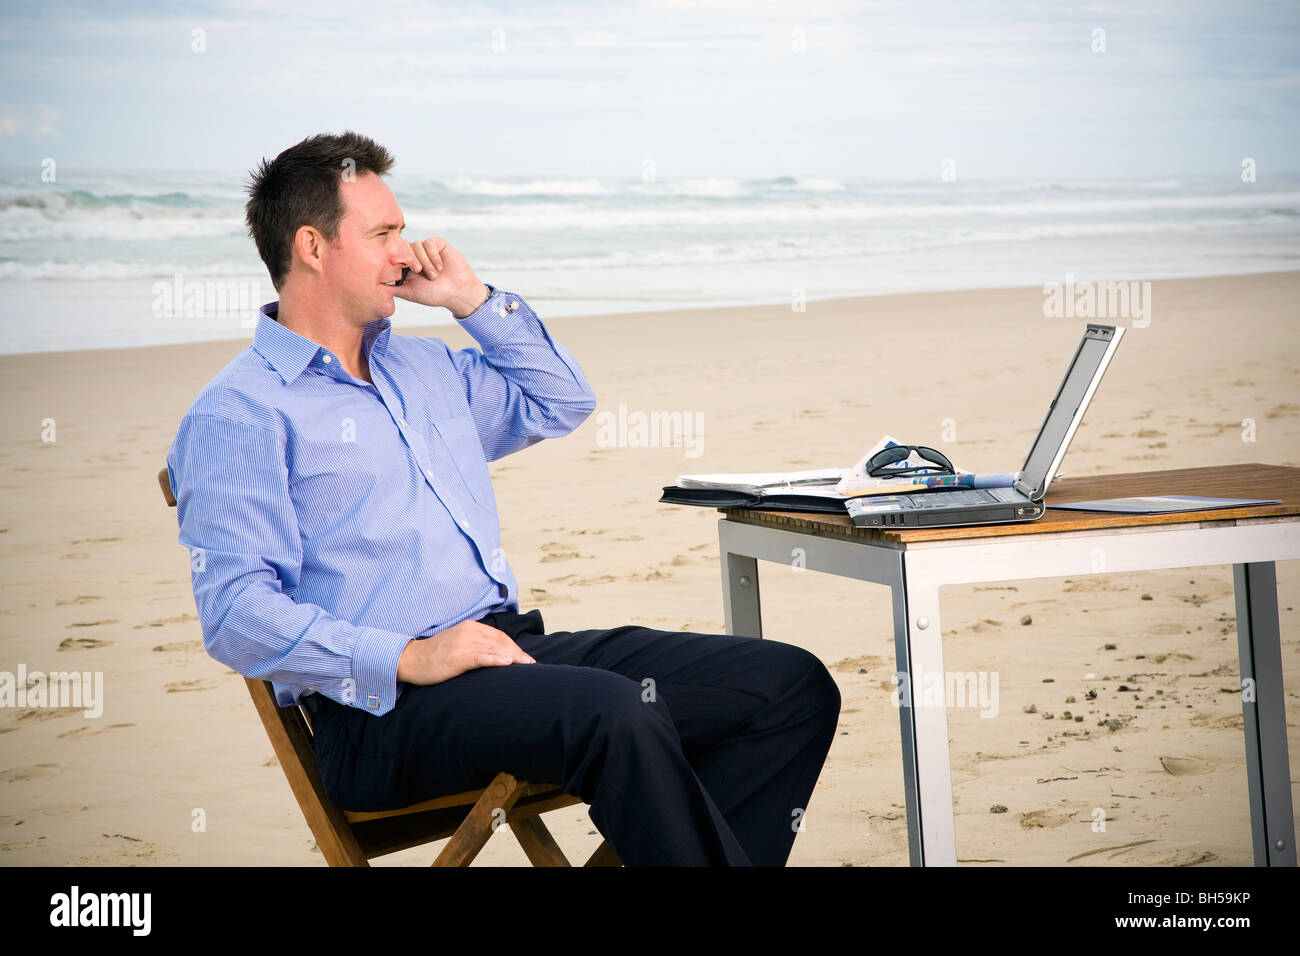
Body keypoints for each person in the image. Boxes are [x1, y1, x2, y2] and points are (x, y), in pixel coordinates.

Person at [166, 131, 841, 866]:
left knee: (788, 686)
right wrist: (408, 655)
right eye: (384, 233)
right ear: (312, 246)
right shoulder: (239, 412)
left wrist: (470, 300)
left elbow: (561, 400)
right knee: (612, 713)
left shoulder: (426, 367)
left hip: (506, 652)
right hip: (379, 710)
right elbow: (235, 615)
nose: (406, 250)